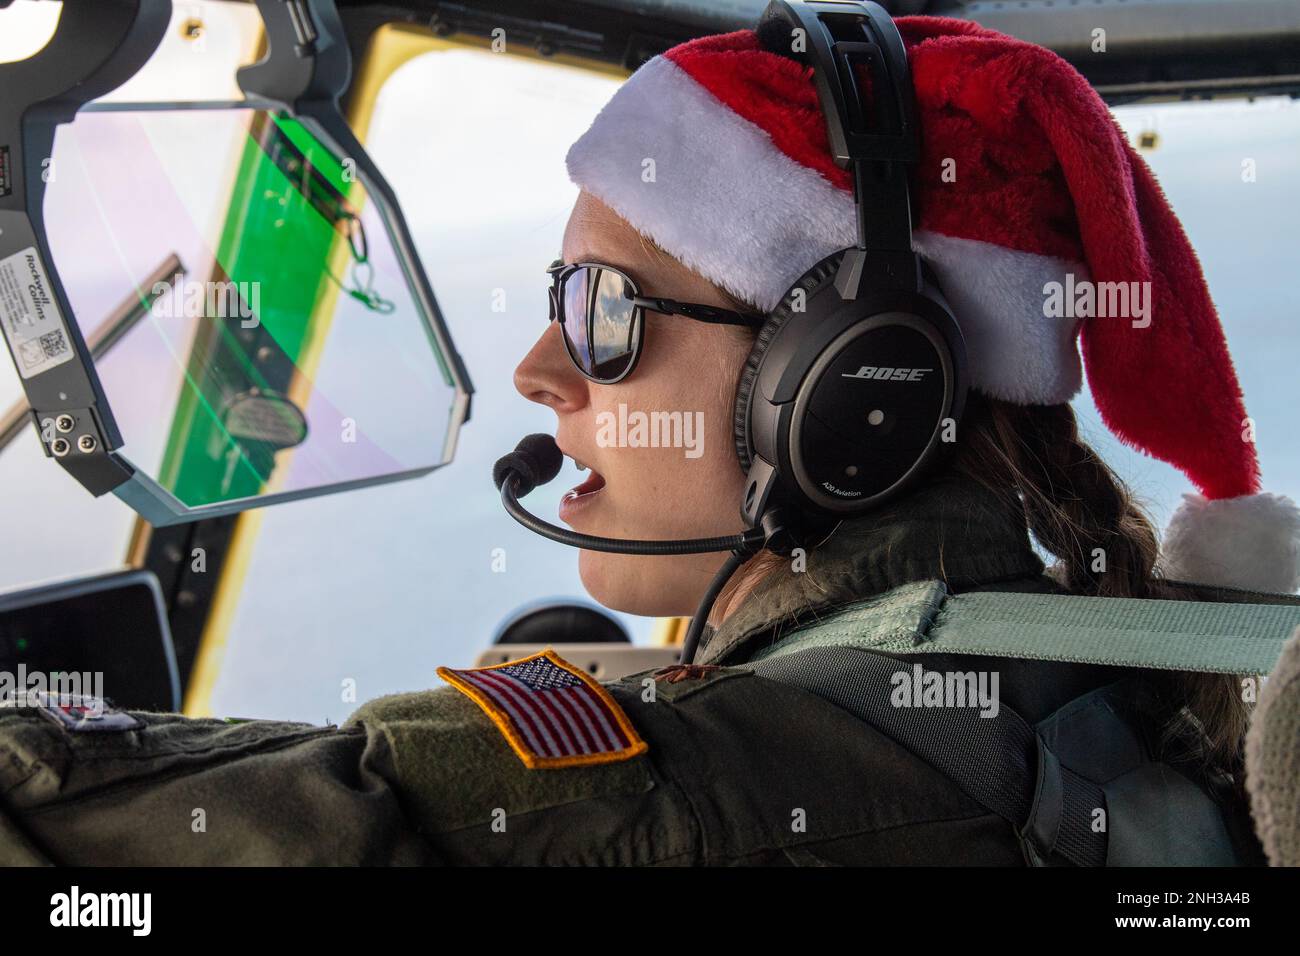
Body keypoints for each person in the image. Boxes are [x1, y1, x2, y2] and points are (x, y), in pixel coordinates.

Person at [2, 12, 1298, 866]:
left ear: (857, 385)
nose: (538, 369)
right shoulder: (1101, 667)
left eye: (605, 314)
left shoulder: (691, 806)